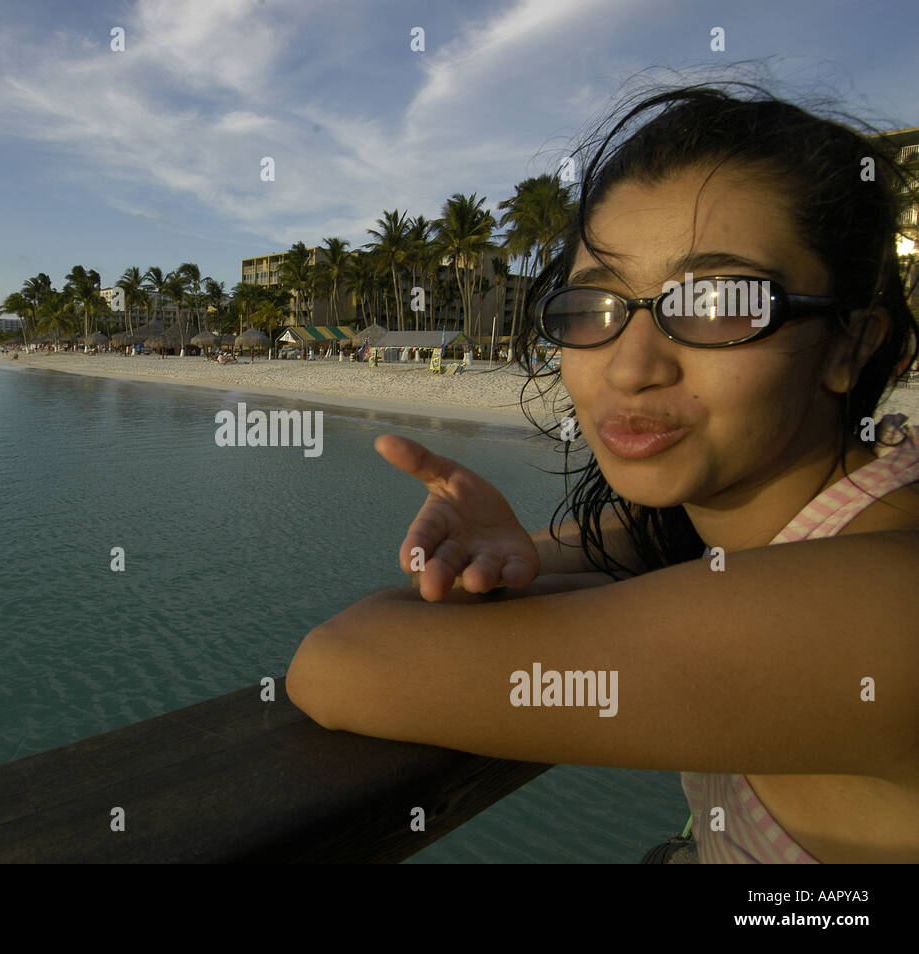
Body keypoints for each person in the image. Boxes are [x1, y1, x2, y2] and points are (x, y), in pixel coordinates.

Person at [285, 80, 919, 863]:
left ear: (850, 344)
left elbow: (342, 662)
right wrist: (515, 553)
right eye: (595, 305)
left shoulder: (878, 608)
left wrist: (530, 572)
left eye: (719, 299)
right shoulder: (801, 519)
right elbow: (626, 551)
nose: (630, 367)